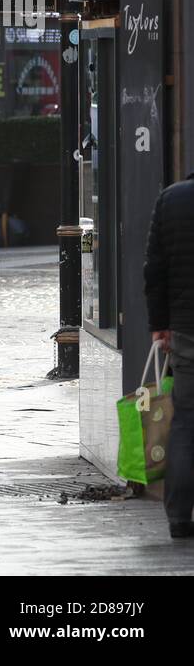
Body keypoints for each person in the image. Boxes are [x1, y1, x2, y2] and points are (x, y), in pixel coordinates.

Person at [143, 172, 194, 537]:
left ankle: (178, 517)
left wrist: (160, 324)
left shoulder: (171, 200)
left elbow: (154, 269)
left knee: (185, 423)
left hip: (186, 329)